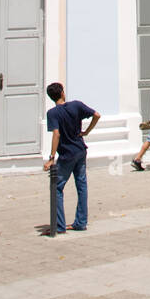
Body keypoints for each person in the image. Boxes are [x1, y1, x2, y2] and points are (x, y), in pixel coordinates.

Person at [43, 83, 100, 232]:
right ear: (62, 93)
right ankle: (81, 222)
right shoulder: (76, 105)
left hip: (67, 154)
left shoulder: (52, 113)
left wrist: (51, 157)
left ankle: (60, 225)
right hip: (80, 150)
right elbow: (96, 115)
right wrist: (86, 131)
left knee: (56, 187)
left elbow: (56, 134)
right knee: (81, 186)